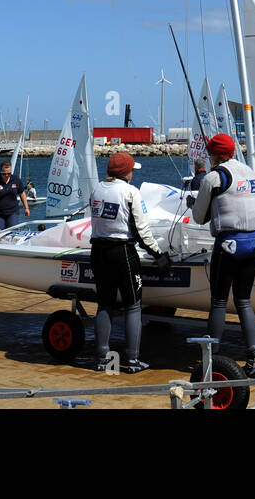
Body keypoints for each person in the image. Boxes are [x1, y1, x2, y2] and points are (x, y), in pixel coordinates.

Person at [190, 135, 255, 377]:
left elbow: (200, 218)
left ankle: (212, 360)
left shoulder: (213, 177)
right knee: (244, 300)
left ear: (213, 155)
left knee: (219, 301)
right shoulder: (250, 171)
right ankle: (253, 360)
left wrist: (195, 202)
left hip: (229, 244)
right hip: (254, 242)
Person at [90, 152, 168, 373]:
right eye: (132, 169)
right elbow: (142, 233)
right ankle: (132, 361)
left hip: (98, 251)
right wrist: (159, 255)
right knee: (133, 305)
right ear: (126, 173)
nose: (133, 173)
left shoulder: (96, 189)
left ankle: (102, 360)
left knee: (105, 304)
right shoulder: (131, 192)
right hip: (122, 253)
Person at [0, 161, 30, 230]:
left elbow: (22, 193)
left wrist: (26, 208)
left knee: (13, 233)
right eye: (4, 174)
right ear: (0, 172)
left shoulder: (16, 180)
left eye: (9, 173)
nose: (6, 175)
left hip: (12, 212)